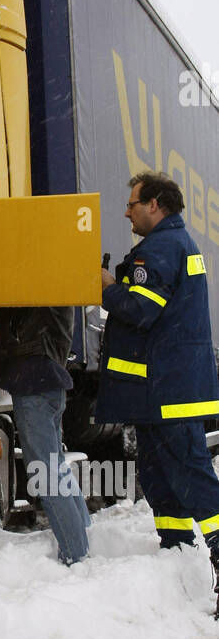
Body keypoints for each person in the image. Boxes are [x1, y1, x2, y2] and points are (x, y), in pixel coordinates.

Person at [96, 172, 219, 607]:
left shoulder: (163, 247)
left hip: (171, 391)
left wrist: (110, 288)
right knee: (161, 476)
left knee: (190, 472)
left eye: (133, 203)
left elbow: (141, 308)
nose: (126, 211)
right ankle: (178, 550)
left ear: (156, 205)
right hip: (161, 392)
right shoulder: (170, 244)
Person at [0, 307, 90, 564]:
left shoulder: (33, 287)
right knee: (56, 469)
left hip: (33, 384)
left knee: (46, 476)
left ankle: (75, 555)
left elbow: (12, 313)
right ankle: (84, 540)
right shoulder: (54, 286)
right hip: (47, 381)